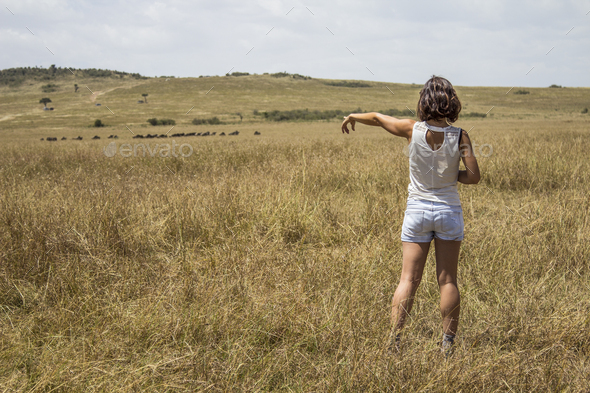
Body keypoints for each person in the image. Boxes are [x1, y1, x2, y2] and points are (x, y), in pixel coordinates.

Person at [340, 76, 480, 355]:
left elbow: (379, 118)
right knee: (448, 281)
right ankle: (447, 348)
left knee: (408, 280)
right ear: (451, 101)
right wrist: (451, 175)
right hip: (448, 211)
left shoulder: (410, 129)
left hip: (416, 211)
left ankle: (394, 343)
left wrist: (353, 115)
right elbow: (474, 177)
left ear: (424, 101)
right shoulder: (460, 135)